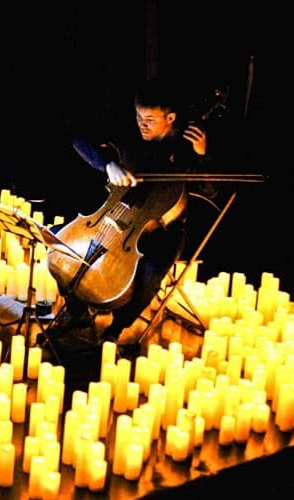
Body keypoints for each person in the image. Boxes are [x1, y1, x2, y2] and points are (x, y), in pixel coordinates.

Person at [60, 77, 209, 344]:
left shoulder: (186, 150)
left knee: (152, 270)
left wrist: (201, 155)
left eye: (150, 119)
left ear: (171, 118)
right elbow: (79, 140)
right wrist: (107, 165)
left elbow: (212, 191)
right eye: (139, 116)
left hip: (164, 229)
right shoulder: (132, 138)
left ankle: (117, 328)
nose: (142, 124)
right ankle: (77, 311)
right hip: (115, 217)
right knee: (62, 245)